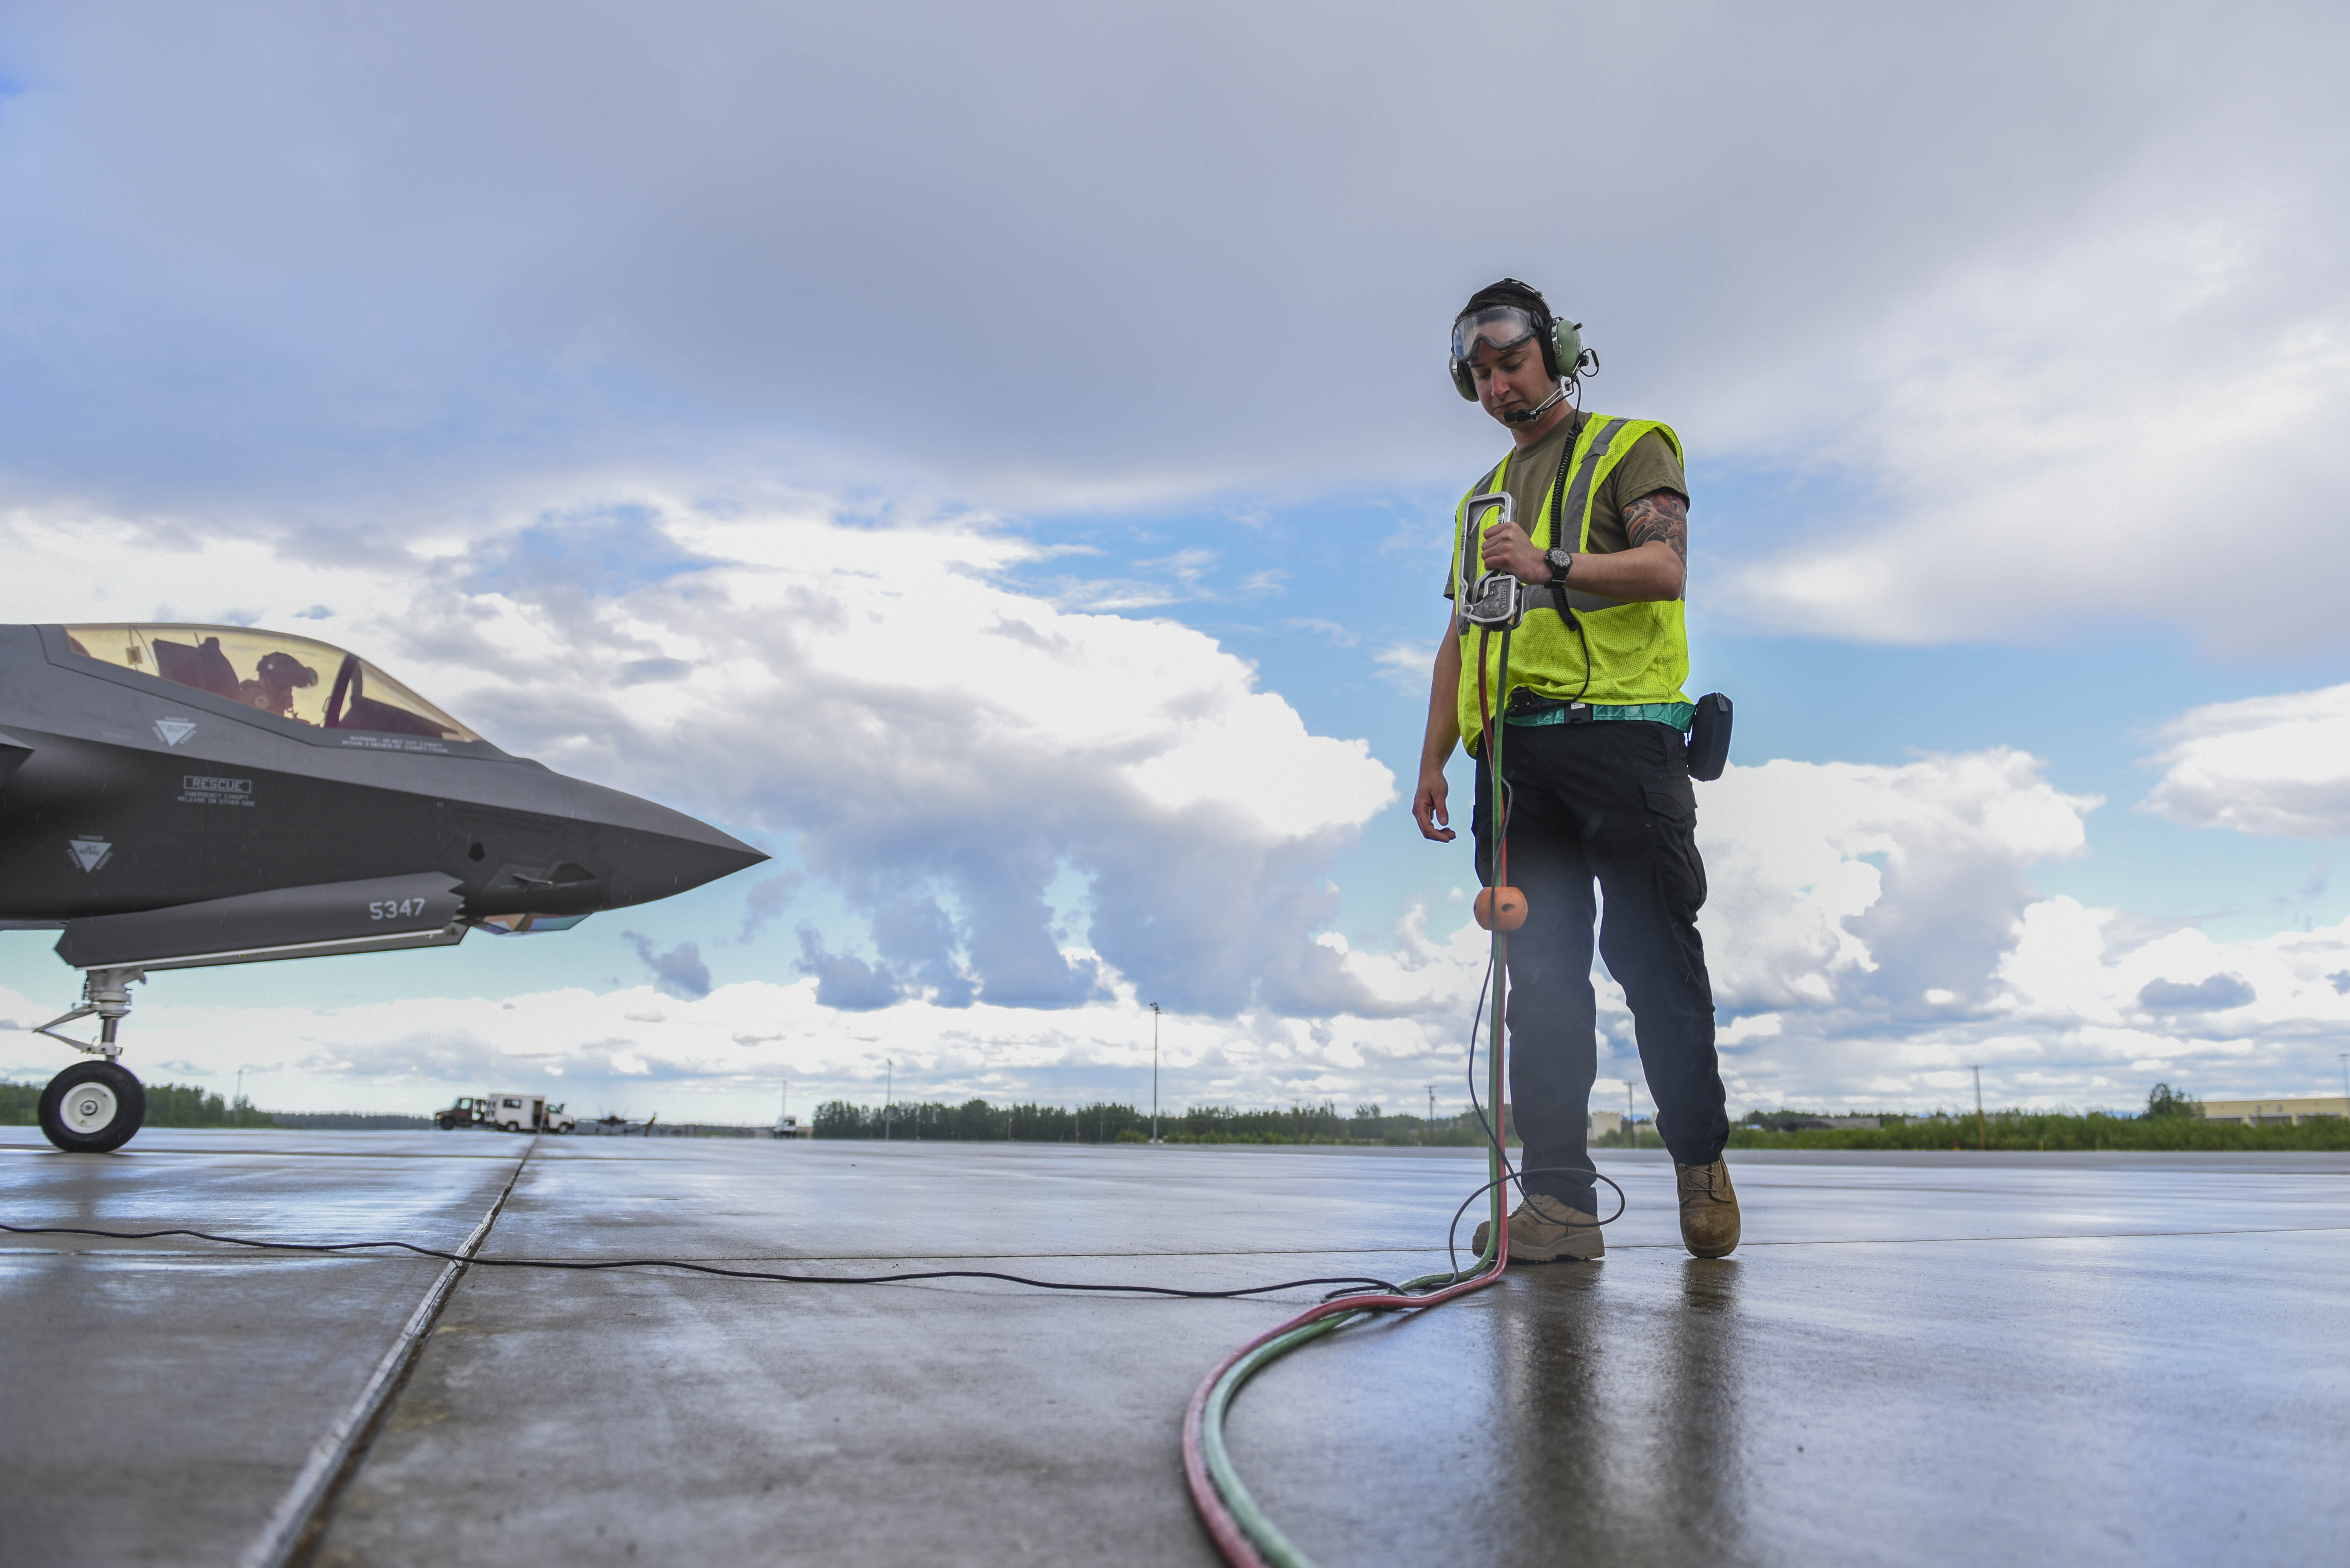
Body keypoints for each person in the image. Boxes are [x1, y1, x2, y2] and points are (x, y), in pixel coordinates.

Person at [1412, 278, 1738, 1262]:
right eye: (1477, 375)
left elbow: (1663, 570)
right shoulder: (1479, 503)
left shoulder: (1630, 445)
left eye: (1510, 362)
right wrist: (1430, 758)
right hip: (1514, 763)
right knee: (1541, 981)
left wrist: (1550, 562)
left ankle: (1699, 1169)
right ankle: (1558, 1204)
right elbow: (1457, 634)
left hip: (1622, 745)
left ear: (1555, 351)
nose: (1498, 386)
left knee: (1653, 966)